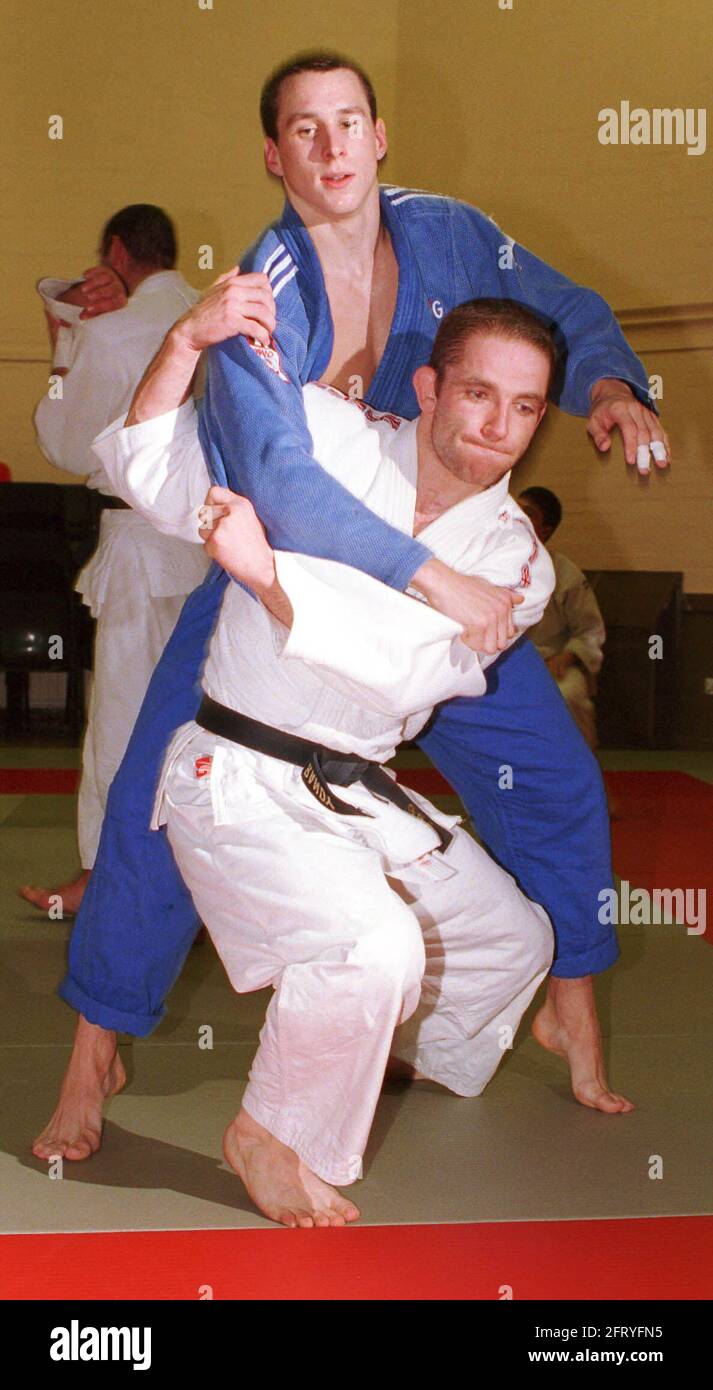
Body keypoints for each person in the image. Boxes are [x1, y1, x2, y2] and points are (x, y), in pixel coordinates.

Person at [35, 51, 667, 1163]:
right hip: (291, 585)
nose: (329, 149)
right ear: (273, 154)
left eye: (348, 123)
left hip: (435, 581)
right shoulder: (255, 294)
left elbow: (559, 313)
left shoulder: (452, 236)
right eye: (303, 131)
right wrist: (426, 582)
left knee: (556, 780)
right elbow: (273, 487)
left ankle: (568, 993)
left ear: (378, 135)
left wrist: (609, 385)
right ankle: (96, 1049)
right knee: (148, 795)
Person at [74, 303, 557, 1225]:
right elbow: (153, 473)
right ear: (429, 388)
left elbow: (403, 672)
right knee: (375, 949)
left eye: (525, 408)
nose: (498, 427)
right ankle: (268, 1128)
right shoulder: (325, 440)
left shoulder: (514, 562)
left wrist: (268, 574)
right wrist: (183, 343)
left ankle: (383, 1056)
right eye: (479, 394)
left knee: (515, 941)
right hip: (238, 770)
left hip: (359, 786)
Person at [21, 206, 210, 915]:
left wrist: (65, 352)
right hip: (216, 549)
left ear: (118, 250)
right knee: (197, 722)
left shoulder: (113, 332)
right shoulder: (214, 313)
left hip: (141, 547)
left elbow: (67, 446)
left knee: (122, 726)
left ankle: (102, 882)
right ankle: (197, 890)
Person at [519, 486, 606, 749]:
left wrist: (567, 657)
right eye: (515, 508)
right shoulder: (486, 565)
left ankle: (580, 772)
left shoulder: (566, 574)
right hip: (503, 664)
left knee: (569, 695)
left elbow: (590, 630)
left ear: (544, 530)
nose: (517, 516)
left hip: (554, 663)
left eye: (528, 513)